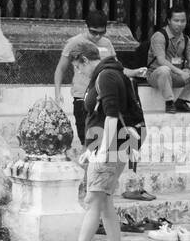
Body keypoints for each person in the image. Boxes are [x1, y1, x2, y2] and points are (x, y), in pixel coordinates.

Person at [53, 41, 143, 241]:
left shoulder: (106, 76)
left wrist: (103, 150)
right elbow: (100, 116)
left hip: (112, 145)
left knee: (94, 198)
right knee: (104, 203)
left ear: (84, 60)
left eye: (78, 67)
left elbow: (112, 116)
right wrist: (93, 148)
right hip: (110, 144)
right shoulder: (109, 74)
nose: (79, 72)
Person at [54, 10, 147, 147]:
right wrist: (57, 92)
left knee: (105, 139)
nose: (97, 37)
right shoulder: (74, 42)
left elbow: (117, 67)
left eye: (101, 33)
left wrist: (135, 72)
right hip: (82, 97)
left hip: (105, 96)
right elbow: (60, 69)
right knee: (87, 140)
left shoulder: (107, 43)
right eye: (93, 32)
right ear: (86, 27)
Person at [147, 6, 190, 113]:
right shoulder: (159, 36)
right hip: (157, 76)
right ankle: (169, 102)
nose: (180, 24)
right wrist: (180, 72)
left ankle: (181, 102)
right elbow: (161, 61)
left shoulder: (186, 39)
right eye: (176, 20)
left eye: (183, 21)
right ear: (169, 21)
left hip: (176, 76)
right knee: (164, 69)